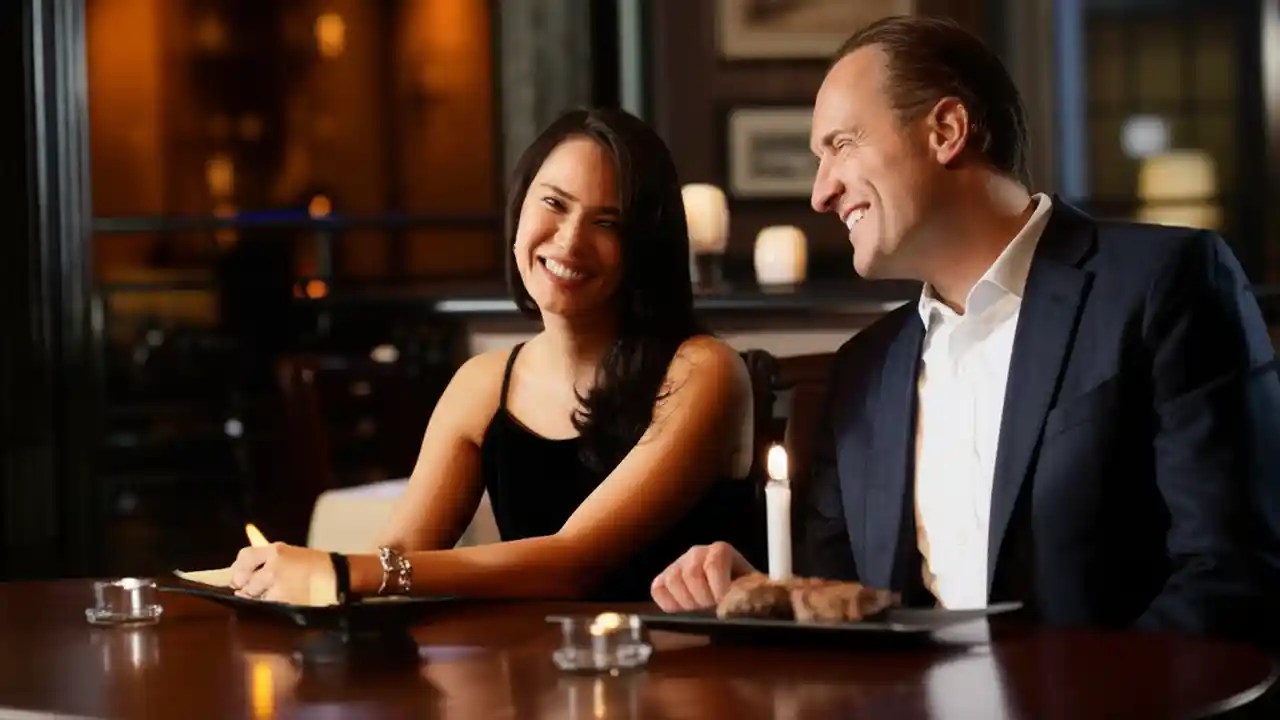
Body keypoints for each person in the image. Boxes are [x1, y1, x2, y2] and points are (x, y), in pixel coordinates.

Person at [652, 16, 1280, 644]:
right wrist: (765, 595)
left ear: (947, 131)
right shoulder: (863, 370)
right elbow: (847, 609)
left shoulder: (1165, 283)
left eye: (841, 144)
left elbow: (1231, 574)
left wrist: (1084, 694)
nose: (821, 192)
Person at [228, 108, 760, 603]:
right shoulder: (483, 384)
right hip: (537, 665)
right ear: (519, 208)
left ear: (644, 248)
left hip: (683, 663)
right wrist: (295, 575)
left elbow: (575, 561)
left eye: (607, 223)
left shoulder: (701, 371)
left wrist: (342, 572)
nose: (569, 240)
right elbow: (400, 551)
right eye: (554, 204)